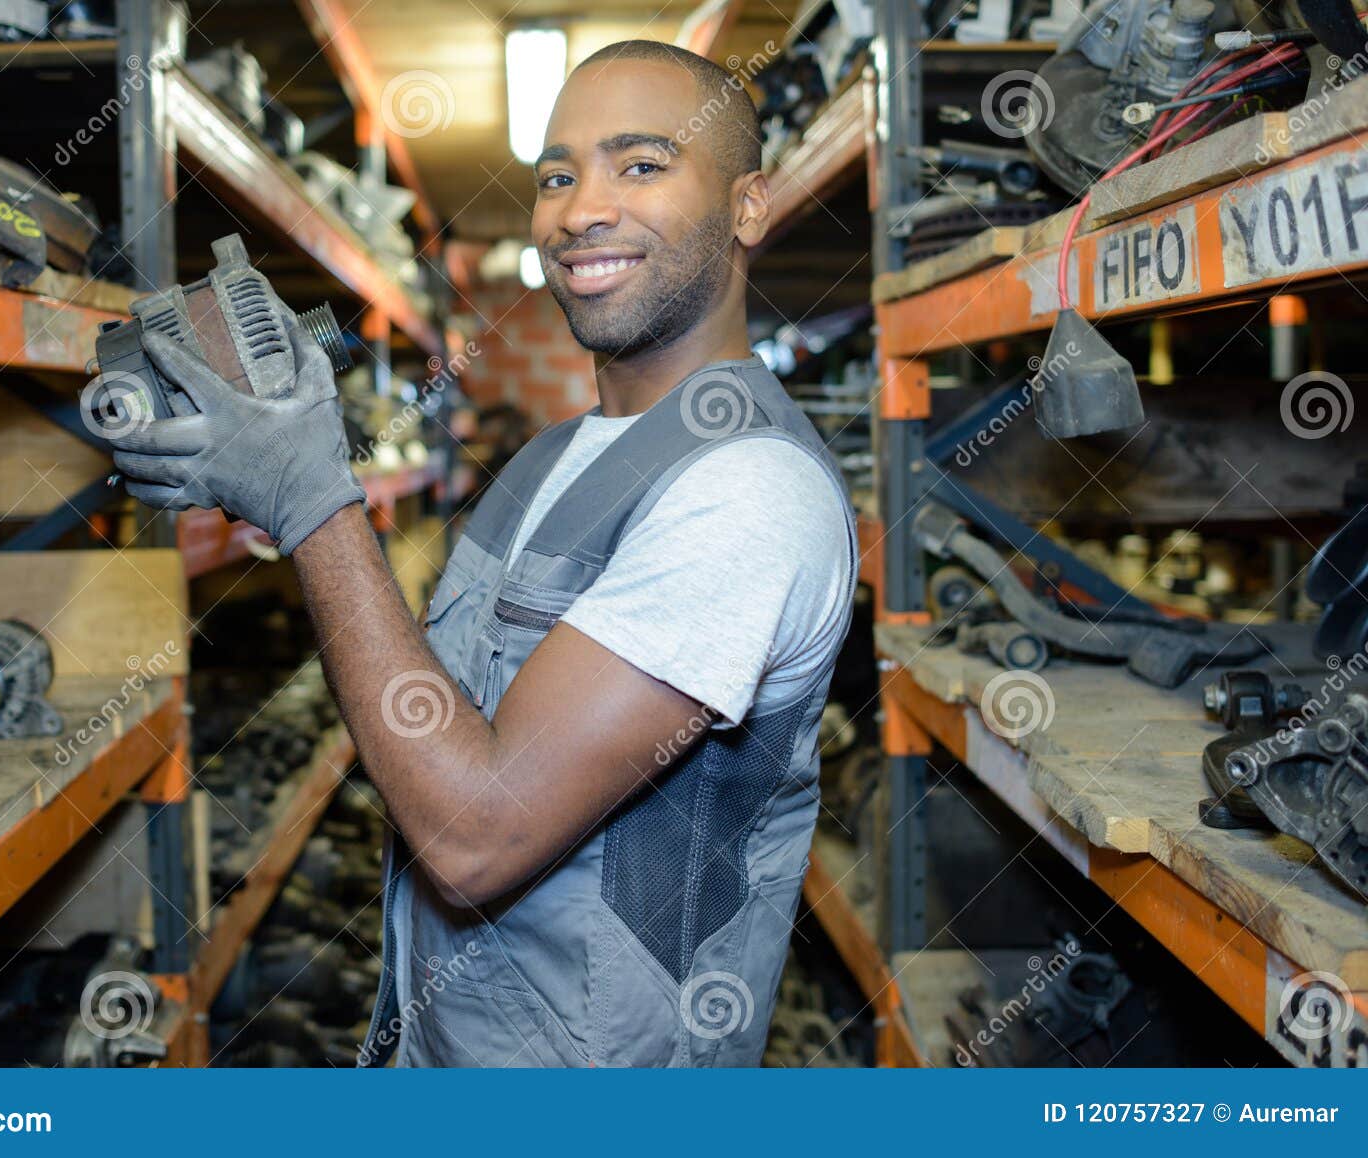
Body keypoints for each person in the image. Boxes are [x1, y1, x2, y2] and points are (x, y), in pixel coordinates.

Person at [110, 38, 857, 1067]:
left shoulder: (747, 490)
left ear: (749, 206)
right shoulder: (547, 460)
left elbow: (474, 836)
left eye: (642, 164)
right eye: (556, 177)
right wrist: (260, 460)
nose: (581, 211)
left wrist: (312, 501)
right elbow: (436, 717)